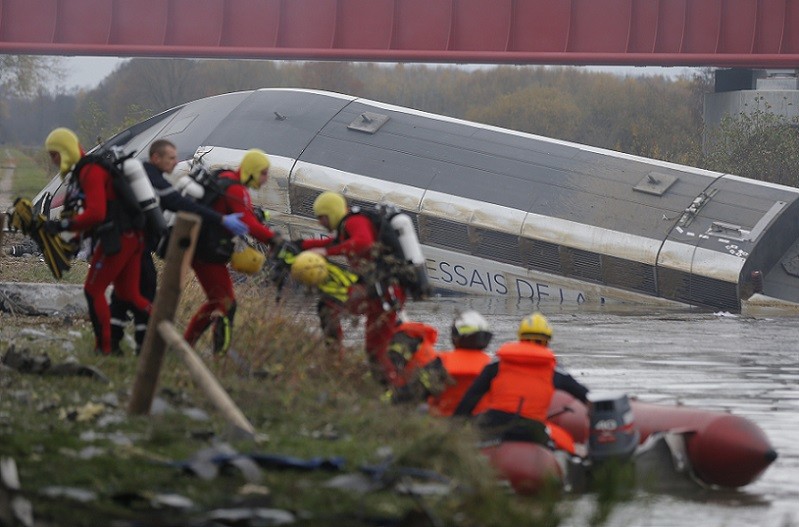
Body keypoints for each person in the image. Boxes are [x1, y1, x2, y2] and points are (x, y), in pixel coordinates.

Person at [108, 139, 248, 354]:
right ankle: (143, 348)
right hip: (135, 244)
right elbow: (178, 202)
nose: (175, 162)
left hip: (128, 241)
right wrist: (220, 219)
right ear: (157, 158)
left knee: (124, 291)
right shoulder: (150, 176)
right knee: (145, 290)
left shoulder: (146, 176)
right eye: (171, 158)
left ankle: (113, 343)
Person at [43, 127, 152, 356]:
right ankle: (161, 332)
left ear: (66, 151)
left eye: (55, 154)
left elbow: (96, 213)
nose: (53, 160)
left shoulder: (90, 171)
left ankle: (104, 348)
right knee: (130, 294)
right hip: (133, 237)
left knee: (93, 289)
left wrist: (62, 226)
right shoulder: (90, 168)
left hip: (119, 238)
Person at [299, 191, 407, 386]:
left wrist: (325, 252)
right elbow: (332, 242)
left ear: (331, 212)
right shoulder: (346, 228)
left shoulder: (353, 222)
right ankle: (335, 360)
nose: (321, 224)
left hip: (385, 292)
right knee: (328, 306)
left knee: (376, 351)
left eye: (322, 218)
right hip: (377, 290)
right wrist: (300, 245)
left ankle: (396, 390)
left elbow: (363, 242)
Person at [183, 148, 277, 354]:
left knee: (221, 302)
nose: (265, 179)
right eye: (263, 173)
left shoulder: (226, 178)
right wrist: (275, 241)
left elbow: (243, 214)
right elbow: (249, 224)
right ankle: (205, 351)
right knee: (225, 304)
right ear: (252, 170)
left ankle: (187, 346)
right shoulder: (236, 189)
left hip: (204, 249)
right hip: (207, 253)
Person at [453, 312, 589, 448]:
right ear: (547, 341)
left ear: (520, 337)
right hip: (531, 428)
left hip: (494, 422)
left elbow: (471, 398)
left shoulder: (498, 363)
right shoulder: (554, 369)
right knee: (559, 446)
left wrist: (454, 424)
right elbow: (584, 395)